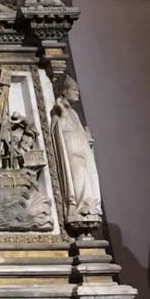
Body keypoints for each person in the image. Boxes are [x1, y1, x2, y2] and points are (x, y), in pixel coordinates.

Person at [52, 77, 102, 228]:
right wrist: (62, 115)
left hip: (82, 152)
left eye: (78, 91)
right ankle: (79, 207)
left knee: (86, 179)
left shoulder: (74, 113)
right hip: (72, 152)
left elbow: (77, 130)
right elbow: (58, 130)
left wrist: (87, 140)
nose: (77, 94)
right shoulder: (59, 111)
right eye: (74, 90)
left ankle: (89, 206)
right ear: (64, 91)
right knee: (78, 179)